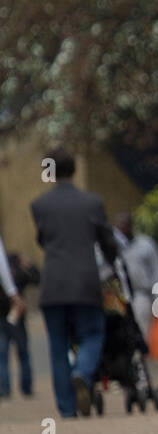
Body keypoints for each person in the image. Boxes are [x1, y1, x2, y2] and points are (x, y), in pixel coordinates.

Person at [29, 148, 120, 417]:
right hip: (84, 283)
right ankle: (82, 370)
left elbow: (44, 240)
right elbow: (107, 242)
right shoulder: (92, 203)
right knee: (92, 333)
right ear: (75, 170)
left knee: (57, 346)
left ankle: (67, 410)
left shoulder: (39, 205)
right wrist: (113, 262)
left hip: (53, 285)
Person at [113, 213, 158, 343]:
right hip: (116, 297)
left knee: (141, 333)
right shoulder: (110, 245)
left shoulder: (146, 245)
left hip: (140, 295)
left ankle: (139, 360)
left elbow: (157, 272)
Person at [1, 233, 39, 400]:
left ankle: (5, 388)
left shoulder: (13, 269)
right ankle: (26, 387)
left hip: (8, 314)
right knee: (22, 351)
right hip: (13, 312)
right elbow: (36, 277)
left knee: (3, 353)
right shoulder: (15, 270)